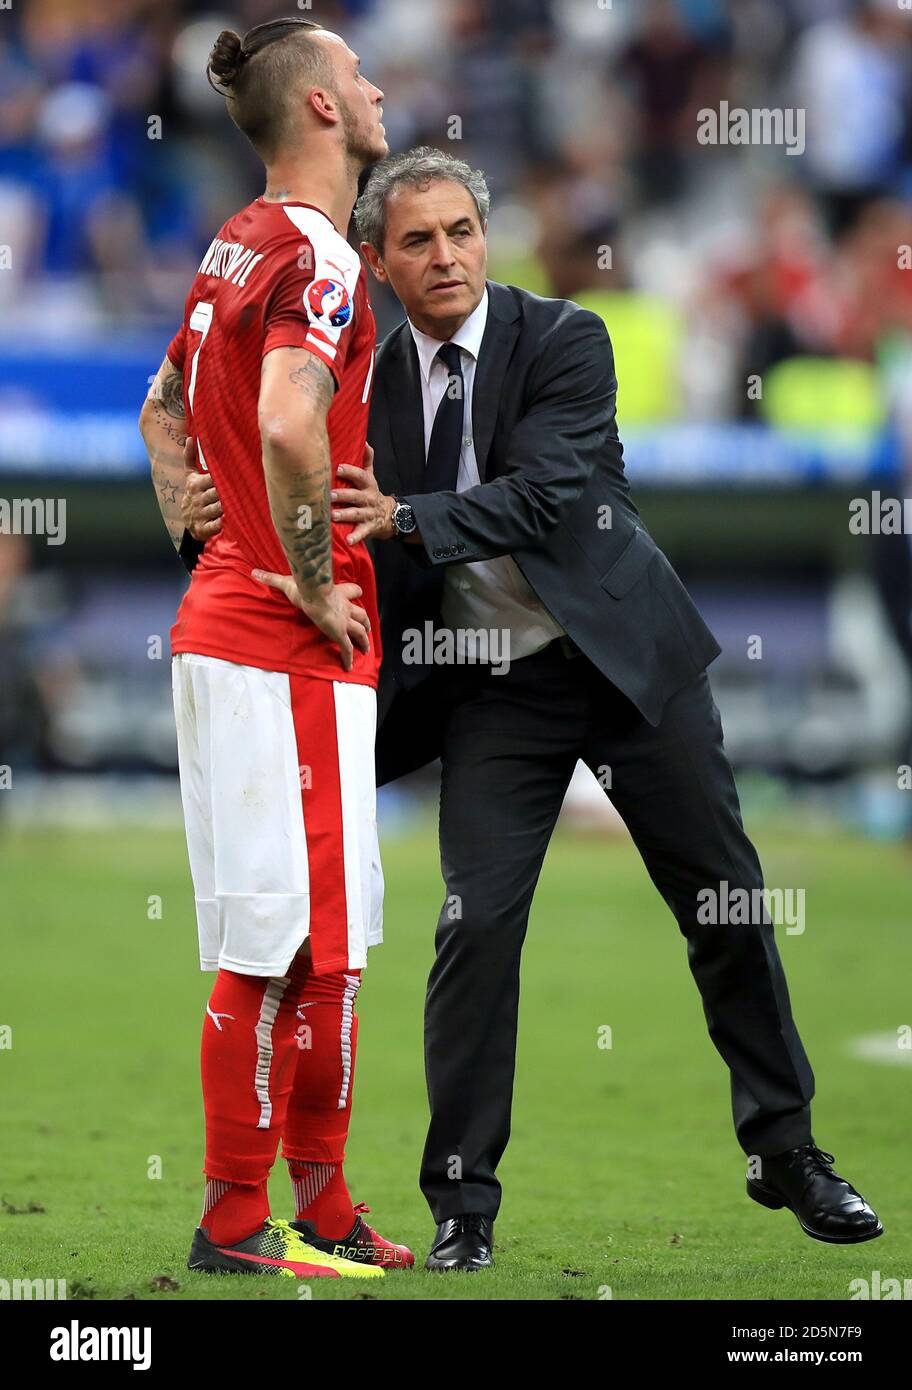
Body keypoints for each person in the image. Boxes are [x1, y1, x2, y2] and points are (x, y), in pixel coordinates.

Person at [186, 147, 883, 1273]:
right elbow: (276, 457)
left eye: (461, 230)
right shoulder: (357, 378)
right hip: (487, 686)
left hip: (623, 666)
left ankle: (788, 1149)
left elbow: (553, 491)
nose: (446, 255)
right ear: (375, 261)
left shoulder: (566, 339)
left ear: (487, 234)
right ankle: (464, 1205)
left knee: (725, 903)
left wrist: (405, 518)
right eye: (417, 240)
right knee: (475, 928)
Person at [140, 17, 412, 1280]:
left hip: (235, 634)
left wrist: (182, 494)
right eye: (357, 74)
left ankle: (324, 1204)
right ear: (318, 109)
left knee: (320, 941)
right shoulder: (319, 259)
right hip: (280, 644)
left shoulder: (232, 245)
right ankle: (237, 1221)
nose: (376, 87)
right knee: (277, 944)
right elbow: (292, 423)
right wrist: (312, 583)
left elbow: (161, 406)